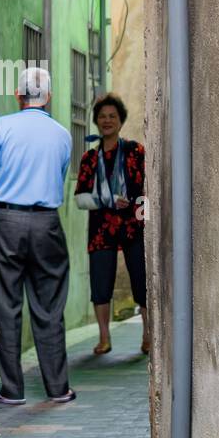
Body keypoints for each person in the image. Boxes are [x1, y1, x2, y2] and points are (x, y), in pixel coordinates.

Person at [0, 65, 76, 405]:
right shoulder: (62, 135)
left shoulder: (2, 127)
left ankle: (12, 390)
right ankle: (58, 388)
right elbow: (49, 180)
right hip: (47, 225)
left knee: (7, 305)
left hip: (7, 223)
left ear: (17, 96)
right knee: (49, 306)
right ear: (48, 97)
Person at [74, 93, 148, 356]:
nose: (107, 121)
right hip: (101, 227)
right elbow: (81, 198)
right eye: (102, 117)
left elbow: (145, 189)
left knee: (142, 280)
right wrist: (106, 200)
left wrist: (142, 216)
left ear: (120, 121)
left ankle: (148, 333)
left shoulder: (135, 151)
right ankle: (104, 337)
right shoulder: (89, 159)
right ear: (96, 121)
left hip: (133, 225)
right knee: (100, 283)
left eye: (112, 117)